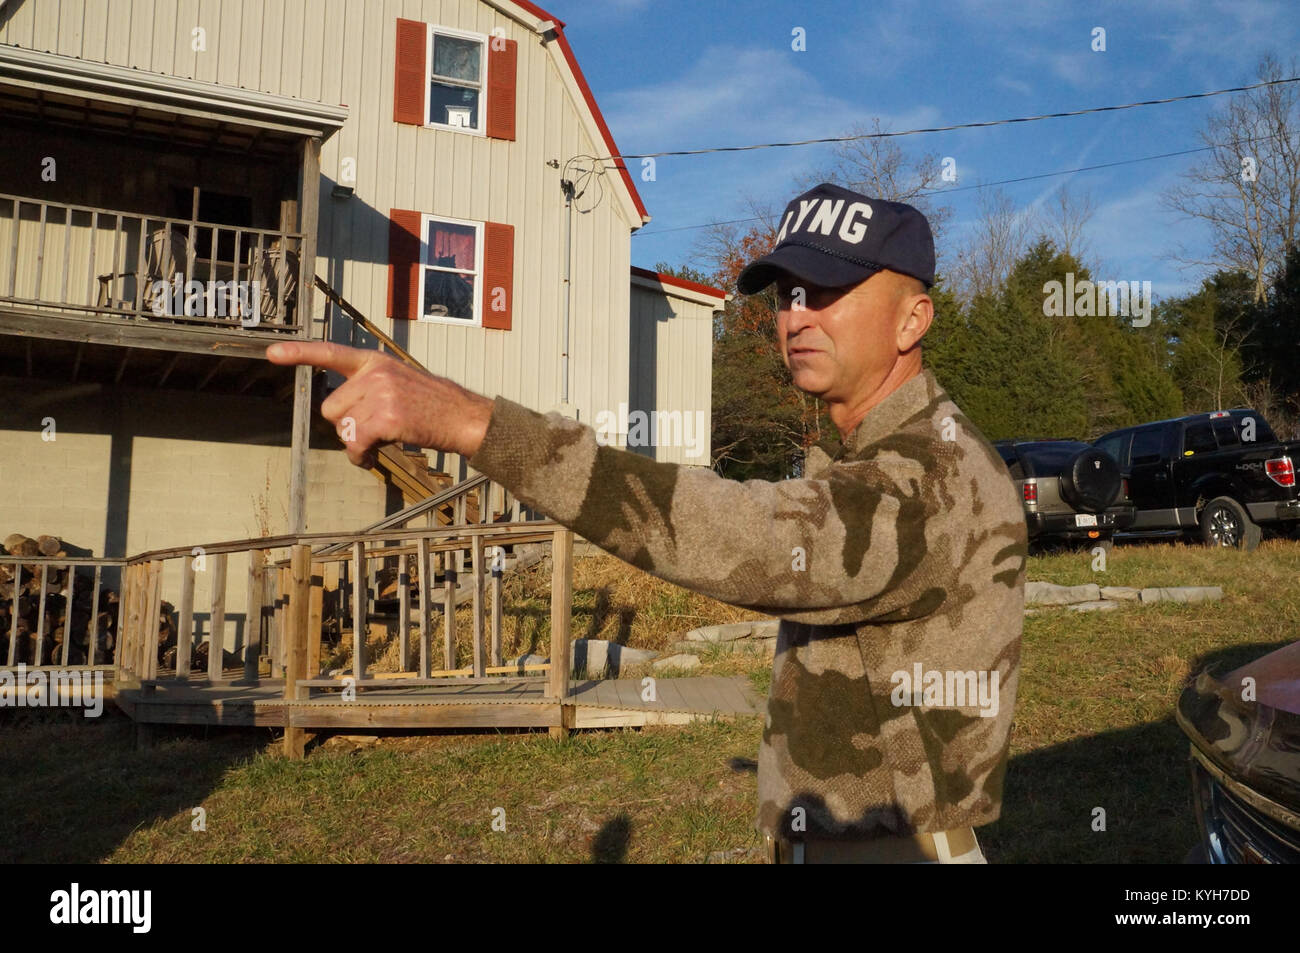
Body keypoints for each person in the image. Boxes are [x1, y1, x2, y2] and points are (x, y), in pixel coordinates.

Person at [266, 182, 1027, 864]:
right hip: (845, 834)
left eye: (826, 291)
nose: (795, 315)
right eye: (786, 292)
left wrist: (472, 423)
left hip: (898, 848)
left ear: (912, 319)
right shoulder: (878, 453)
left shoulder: (936, 473)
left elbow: (743, 532)